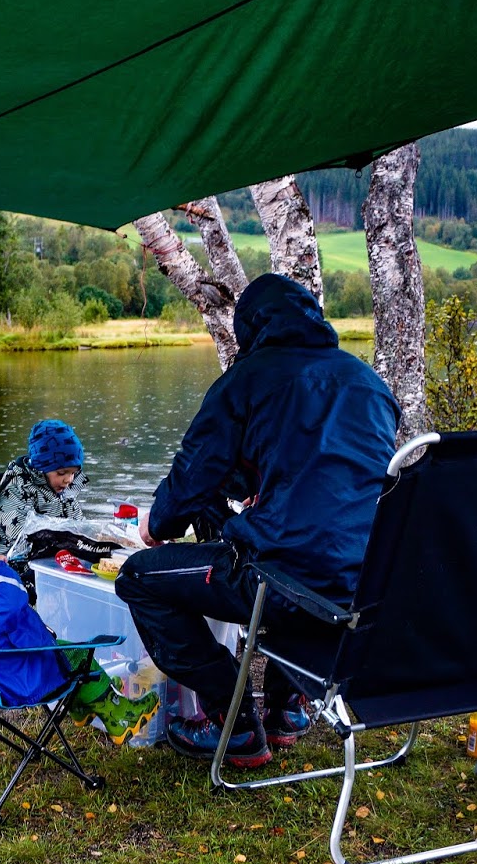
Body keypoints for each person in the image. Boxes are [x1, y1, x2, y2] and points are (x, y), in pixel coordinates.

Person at [115, 273, 399, 768]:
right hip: (362, 582)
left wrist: (156, 525)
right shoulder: (369, 383)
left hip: (283, 579)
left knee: (138, 579)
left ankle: (235, 721)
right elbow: (335, 473)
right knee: (309, 551)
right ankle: (288, 708)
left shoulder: (248, 379)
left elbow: (194, 473)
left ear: (249, 328)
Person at [0, 419, 88, 566]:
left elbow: (80, 526)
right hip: (18, 563)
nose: (68, 480)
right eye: (61, 473)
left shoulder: (65, 491)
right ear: (41, 468)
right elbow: (21, 539)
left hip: (58, 559)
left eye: (73, 473)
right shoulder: (17, 489)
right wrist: (67, 540)